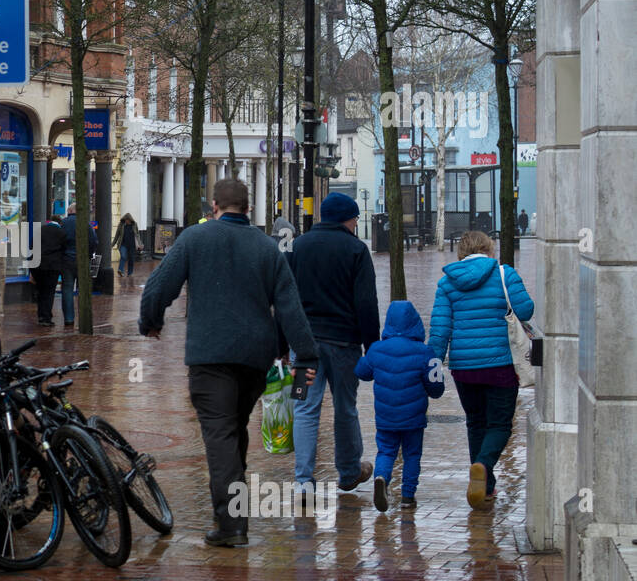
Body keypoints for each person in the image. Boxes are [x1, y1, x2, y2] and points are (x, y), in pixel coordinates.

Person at [139, 178, 317, 547]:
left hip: (210, 356)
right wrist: (302, 353)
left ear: (215, 207)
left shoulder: (193, 238)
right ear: (248, 208)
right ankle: (233, 510)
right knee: (233, 430)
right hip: (254, 358)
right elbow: (289, 305)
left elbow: (159, 287)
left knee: (220, 437)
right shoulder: (267, 247)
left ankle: (231, 525)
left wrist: (150, 322)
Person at [428, 230, 534, 509]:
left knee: (475, 422)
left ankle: (486, 486)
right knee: (499, 424)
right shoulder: (504, 274)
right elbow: (526, 311)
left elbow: (440, 330)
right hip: (501, 365)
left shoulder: (447, 283)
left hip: (464, 367)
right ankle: (483, 466)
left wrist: (435, 364)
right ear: (489, 249)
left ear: (461, 252)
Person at [285, 191, 380, 497]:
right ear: (346, 219)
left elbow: (283, 299)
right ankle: (349, 471)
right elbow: (366, 303)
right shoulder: (356, 250)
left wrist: (280, 344)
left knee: (304, 408)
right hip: (344, 345)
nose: (356, 224)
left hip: (303, 347)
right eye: (355, 218)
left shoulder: (296, 247)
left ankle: (303, 482)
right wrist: (372, 346)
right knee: (346, 408)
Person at [354, 300, 446, 512]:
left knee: (386, 451)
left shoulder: (377, 349)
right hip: (414, 418)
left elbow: (361, 371)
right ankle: (408, 497)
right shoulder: (426, 352)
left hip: (386, 416)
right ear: (415, 323)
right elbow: (437, 388)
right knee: (412, 454)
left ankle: (381, 478)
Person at [59, 203, 97, 328]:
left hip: (66, 260)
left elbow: (59, 242)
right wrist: (88, 255)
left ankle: (69, 319)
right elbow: (93, 241)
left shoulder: (63, 224)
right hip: (82, 260)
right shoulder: (85, 224)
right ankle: (84, 317)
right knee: (83, 290)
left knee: (67, 289)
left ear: (69, 210)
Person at [32, 213, 65, 326]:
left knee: (41, 291)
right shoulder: (61, 232)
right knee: (49, 292)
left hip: (37, 265)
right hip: (52, 266)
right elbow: (64, 249)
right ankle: (46, 317)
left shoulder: (40, 229)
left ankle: (41, 316)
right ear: (60, 223)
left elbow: (31, 245)